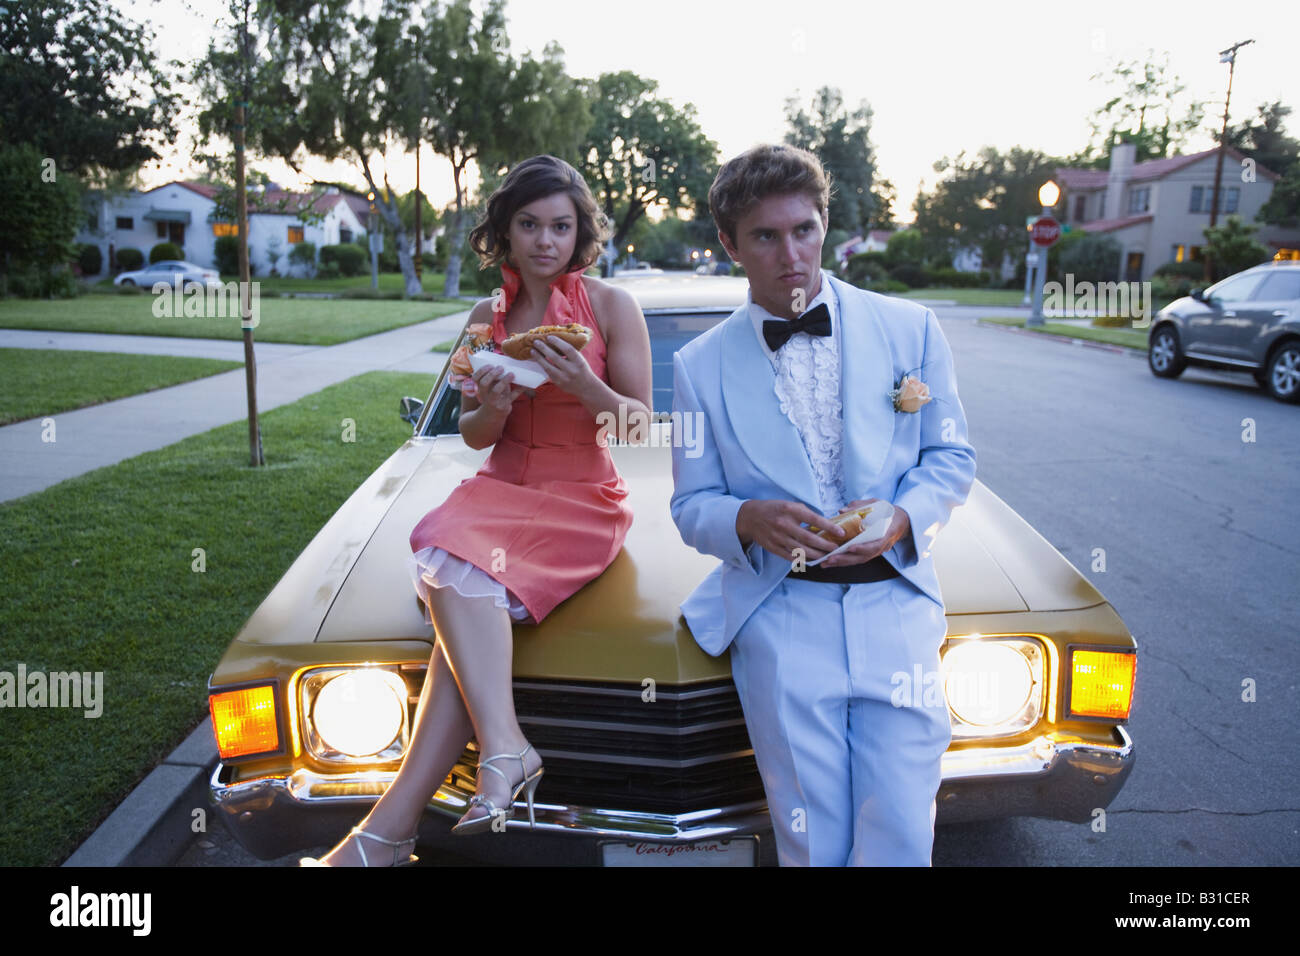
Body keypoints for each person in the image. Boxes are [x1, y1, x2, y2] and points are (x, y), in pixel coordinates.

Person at [306, 154, 652, 865]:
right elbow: (471, 434)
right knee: (447, 558)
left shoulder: (613, 308)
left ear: (580, 232)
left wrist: (586, 385)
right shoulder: (481, 318)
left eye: (561, 225)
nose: (546, 240)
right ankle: (473, 773)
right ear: (506, 229)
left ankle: (415, 812)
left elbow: (641, 428)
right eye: (530, 224)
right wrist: (491, 405)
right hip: (500, 490)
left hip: (582, 497)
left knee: (445, 557)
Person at [669, 144, 976, 866]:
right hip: (780, 616)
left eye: (803, 230)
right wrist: (744, 519)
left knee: (901, 830)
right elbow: (691, 506)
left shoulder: (912, 330)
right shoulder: (696, 365)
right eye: (765, 237)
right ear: (729, 244)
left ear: (825, 226)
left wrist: (902, 519)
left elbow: (952, 457)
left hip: (896, 611)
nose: (790, 254)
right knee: (811, 837)